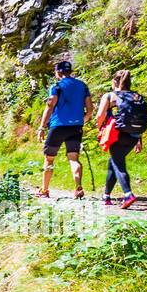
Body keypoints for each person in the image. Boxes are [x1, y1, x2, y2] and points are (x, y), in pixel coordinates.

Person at [36, 60, 93, 198]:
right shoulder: (82, 86)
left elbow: (50, 106)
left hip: (58, 127)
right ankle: (78, 187)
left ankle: (44, 190)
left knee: (49, 159)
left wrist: (42, 127)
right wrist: (81, 121)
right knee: (73, 158)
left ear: (58, 72)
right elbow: (90, 110)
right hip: (76, 127)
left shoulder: (57, 87)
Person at [96, 69, 144, 209]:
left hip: (117, 134)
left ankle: (128, 194)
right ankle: (106, 196)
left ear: (114, 82)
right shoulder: (136, 96)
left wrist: (100, 129)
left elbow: (100, 116)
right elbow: (137, 118)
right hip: (134, 136)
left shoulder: (110, 96)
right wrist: (139, 140)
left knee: (118, 164)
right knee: (114, 161)